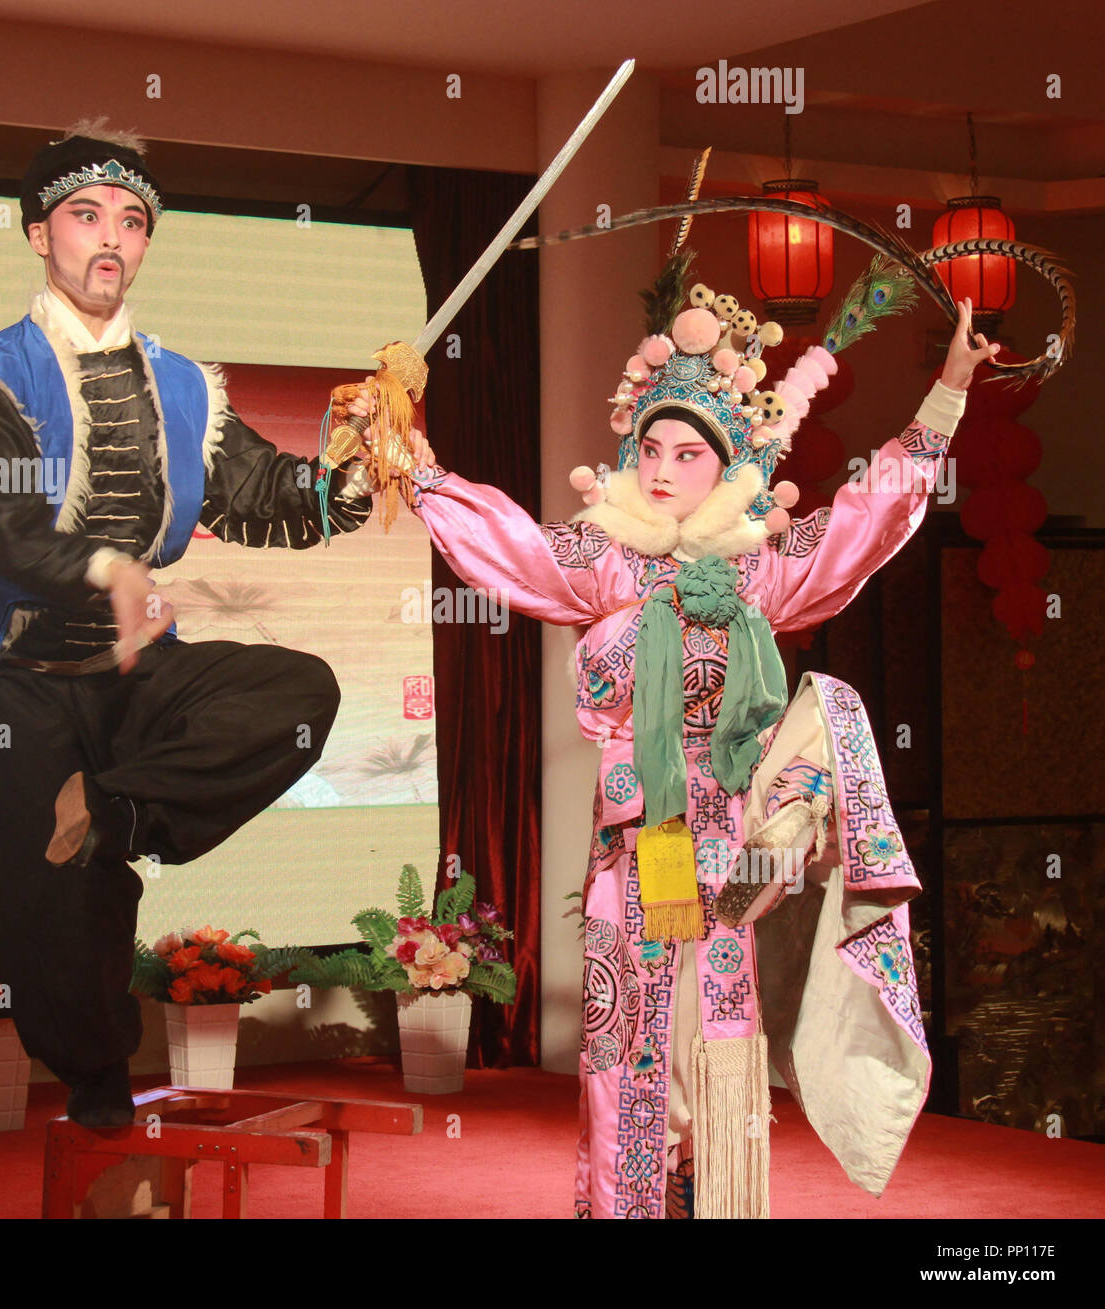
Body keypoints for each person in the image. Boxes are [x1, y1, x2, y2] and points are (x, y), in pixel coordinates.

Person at [370, 267, 999, 1217]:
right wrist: (410, 458)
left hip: (744, 845)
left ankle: (715, 1202)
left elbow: (871, 517)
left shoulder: (762, 571)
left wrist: (948, 386)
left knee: (720, 1041)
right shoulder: (607, 559)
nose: (661, 468)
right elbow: (503, 538)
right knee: (639, 1048)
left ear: (728, 468)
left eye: (687, 455)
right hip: (652, 842)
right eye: (650, 448)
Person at [0, 123, 376, 1127]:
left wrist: (355, 473)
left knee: (296, 692)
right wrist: (105, 565)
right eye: (84, 216)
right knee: (57, 921)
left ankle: (111, 808)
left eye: (130, 220)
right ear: (39, 234)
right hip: (15, 679)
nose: (109, 238)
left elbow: (269, 495)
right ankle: (101, 1091)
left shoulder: (184, 385)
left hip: (133, 672)